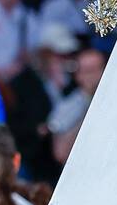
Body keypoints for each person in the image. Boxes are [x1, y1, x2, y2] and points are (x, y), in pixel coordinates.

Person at [6, 21, 77, 185]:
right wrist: (38, 129)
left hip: (63, 158)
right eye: (58, 55)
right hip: (32, 160)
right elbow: (14, 125)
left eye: (67, 55)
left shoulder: (73, 83)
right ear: (45, 54)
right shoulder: (22, 84)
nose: (63, 60)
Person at [48, 45, 105, 164]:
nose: (90, 76)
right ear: (78, 76)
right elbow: (61, 154)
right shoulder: (67, 106)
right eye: (86, 71)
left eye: (94, 70)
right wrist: (88, 109)